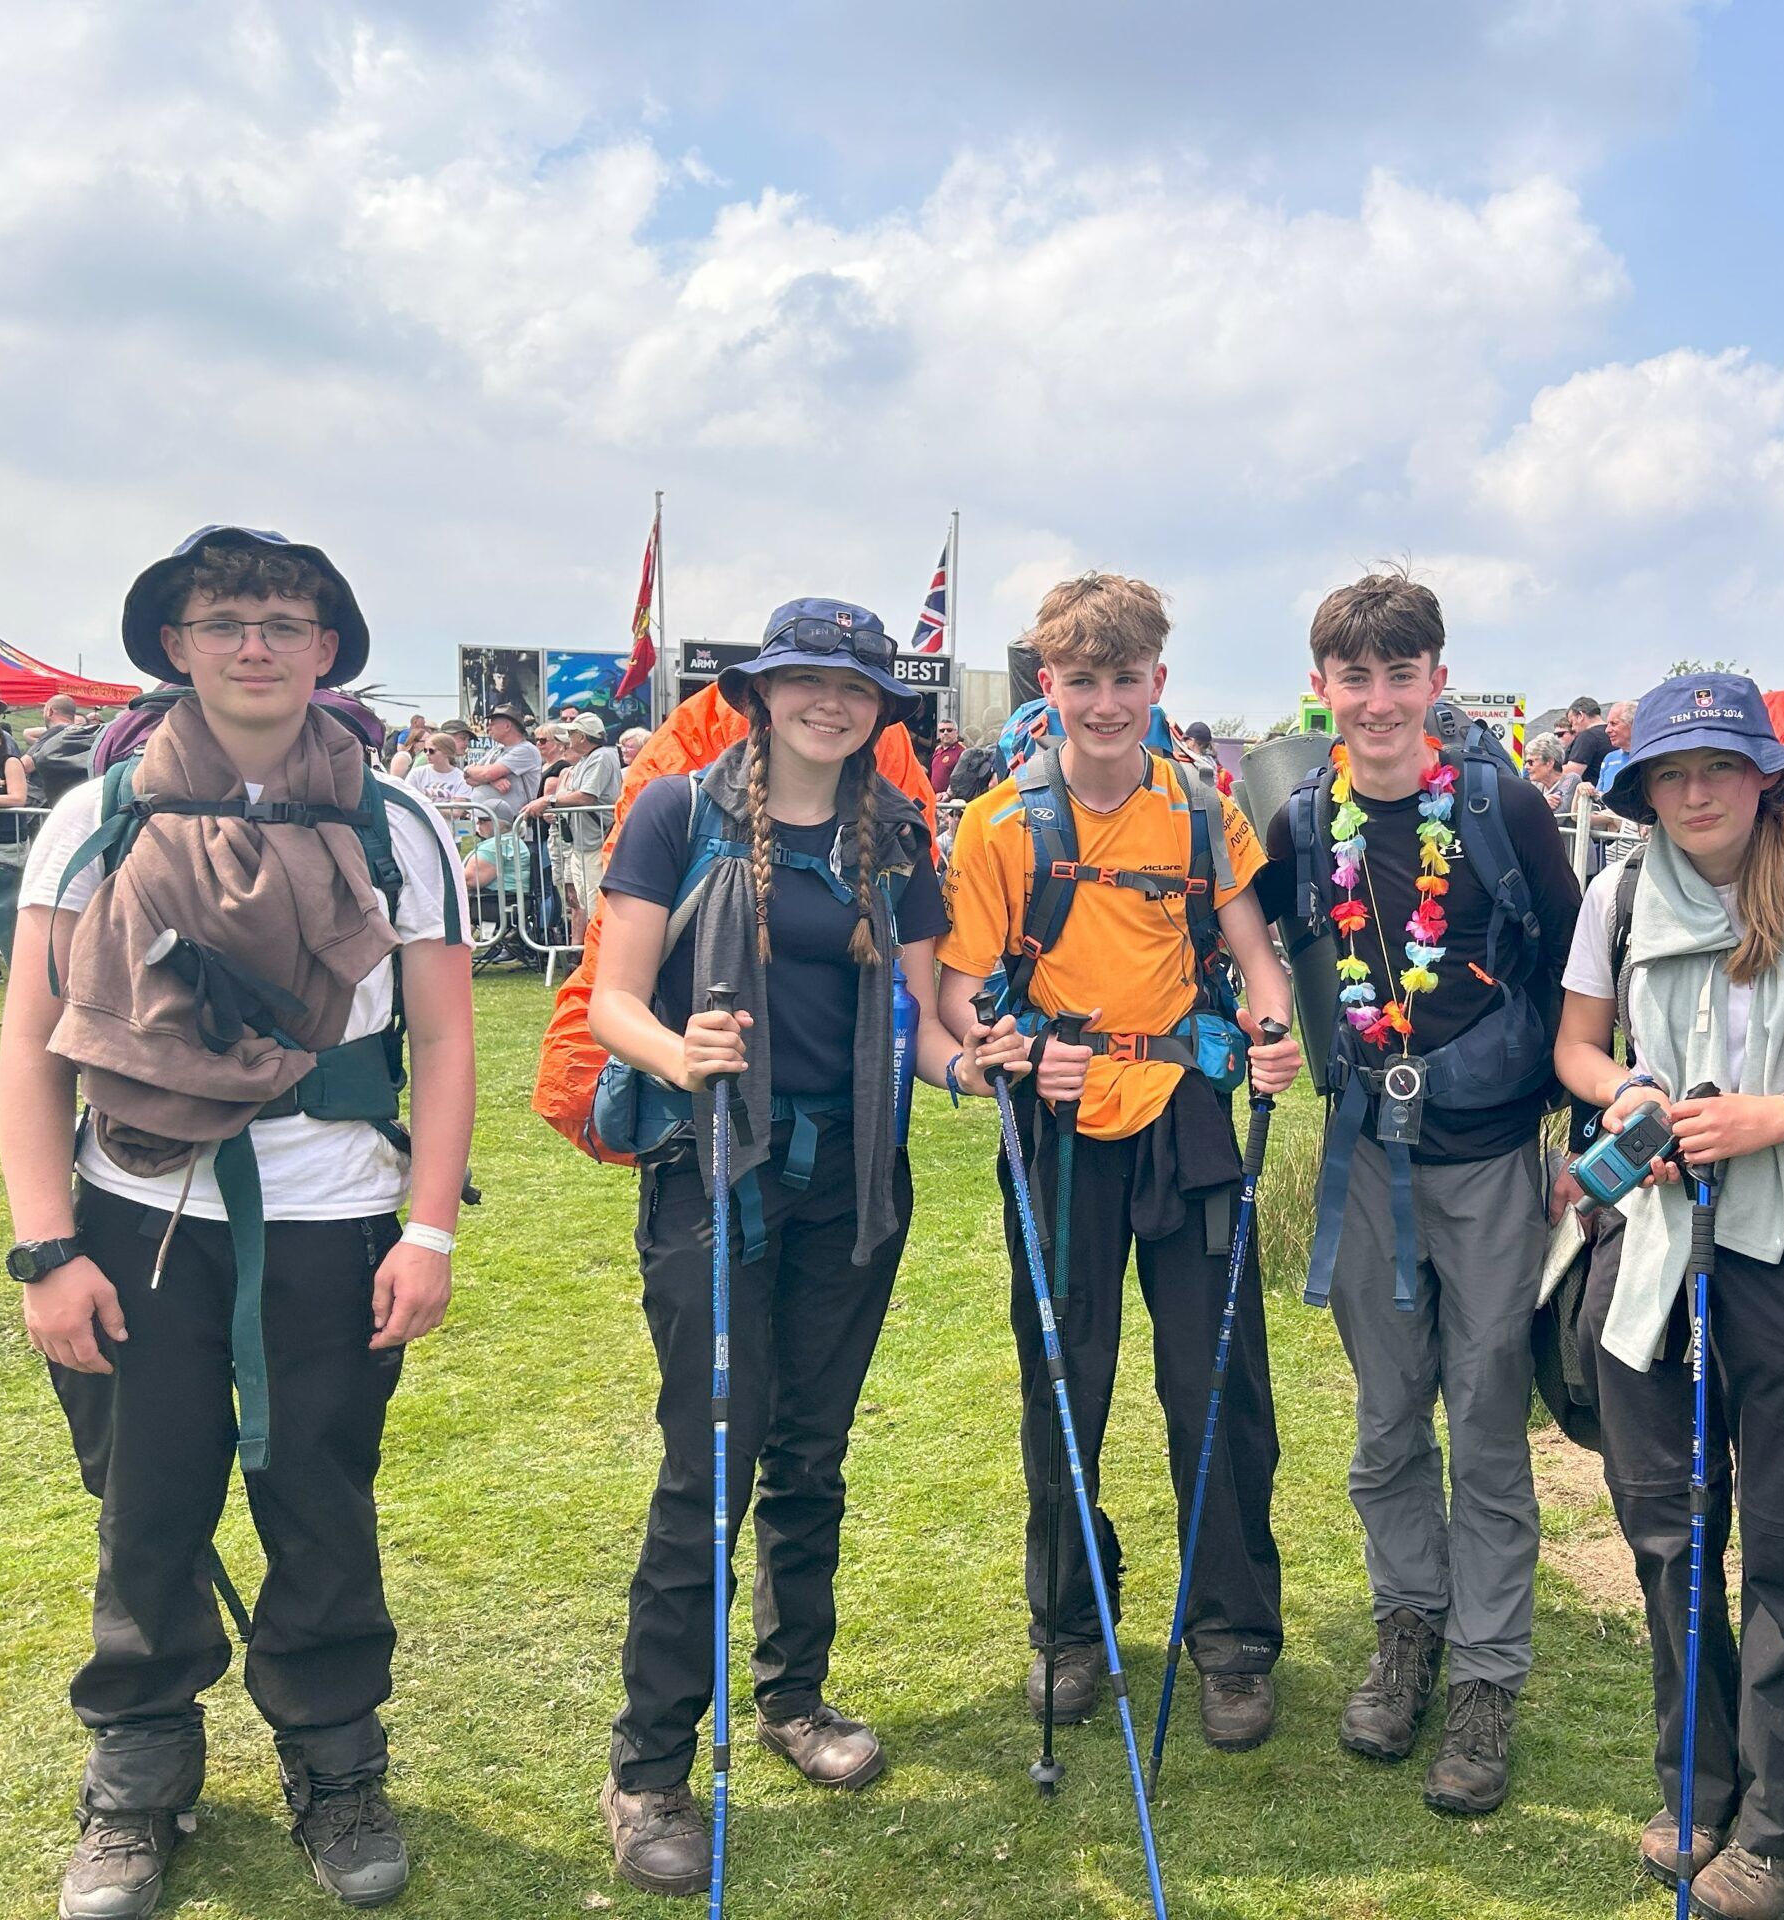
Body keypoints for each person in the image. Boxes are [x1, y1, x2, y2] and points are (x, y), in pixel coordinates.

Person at [0, 526, 475, 1914]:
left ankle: (336, 1766)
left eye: (282, 620)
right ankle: (138, 1781)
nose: (255, 645)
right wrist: (47, 1246)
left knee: (320, 1500)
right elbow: (30, 1048)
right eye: (224, 623)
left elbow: (443, 1043)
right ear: (176, 646)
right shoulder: (102, 815)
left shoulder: (402, 819)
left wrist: (428, 1229)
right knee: (147, 1506)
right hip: (140, 1213)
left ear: (327, 648)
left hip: (337, 1221)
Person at [588, 598, 972, 1896]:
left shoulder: (899, 833)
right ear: (762, 693)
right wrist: (675, 1052)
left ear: (880, 710)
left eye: (855, 687)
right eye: (806, 679)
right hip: (711, 1179)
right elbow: (614, 1001)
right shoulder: (676, 811)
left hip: (853, 1187)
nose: (831, 702)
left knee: (812, 1452)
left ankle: (794, 1699)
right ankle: (646, 1773)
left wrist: (987, 1060)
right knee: (712, 1468)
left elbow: (928, 1020)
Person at [937, 573, 1302, 1752]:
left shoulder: (1201, 810)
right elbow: (960, 993)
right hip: (1057, 1128)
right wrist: (1012, 1049)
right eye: (1081, 681)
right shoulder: (998, 824)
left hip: (1187, 1117)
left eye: (1125, 679)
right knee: (1064, 1382)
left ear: (1158, 683)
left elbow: (1257, 951)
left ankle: (1233, 1637)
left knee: (1216, 1383)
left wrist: (1272, 1025)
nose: (1104, 703)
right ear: (1049, 686)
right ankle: (1068, 1621)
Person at [1554, 672, 1784, 1915]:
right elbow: (1578, 1044)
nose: (1695, 793)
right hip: (1652, 1249)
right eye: (1669, 774)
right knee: (1667, 1534)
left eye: (1717, 768)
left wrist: (1779, 1115)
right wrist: (1622, 1094)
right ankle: (1695, 1785)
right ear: (1639, 790)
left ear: (1766, 777)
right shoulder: (1619, 891)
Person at [1252, 572, 1583, 1816]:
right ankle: (1409, 1633)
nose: (1379, 700)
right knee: (1387, 1427)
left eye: (1403, 674)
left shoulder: (1504, 807)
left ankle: (1489, 1677)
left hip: (1495, 1165)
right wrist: (1273, 1029)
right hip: (1363, 1169)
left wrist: (1579, 1144)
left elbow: (1575, 970)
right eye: (1355, 677)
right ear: (1323, 685)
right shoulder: (1295, 824)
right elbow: (1274, 959)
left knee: (1487, 1430)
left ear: (1438, 679)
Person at [524, 714, 622, 921]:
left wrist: (547, 801)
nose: (568, 736)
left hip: (596, 841)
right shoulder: (590, 758)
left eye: (572, 732)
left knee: (597, 906)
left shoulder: (601, 757)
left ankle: (601, 951)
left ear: (583, 737)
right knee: (587, 903)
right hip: (583, 842)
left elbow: (586, 797)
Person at [0, 715, 37, 966]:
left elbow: (18, 799)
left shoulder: (9, 763)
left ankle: (10, 963)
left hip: (6, 845)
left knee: (2, 905)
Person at [461, 706, 542, 830]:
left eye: (492, 724)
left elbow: (485, 774)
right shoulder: (496, 749)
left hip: (513, 826)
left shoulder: (526, 750)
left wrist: (486, 776)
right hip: (487, 824)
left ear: (507, 726)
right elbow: (468, 776)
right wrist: (493, 780)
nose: (488, 728)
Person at [1564, 698, 1616, 787]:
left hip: (1593, 795)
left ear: (1580, 716)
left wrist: (1547, 770)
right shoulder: (1615, 733)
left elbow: (1572, 773)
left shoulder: (1587, 737)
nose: (1572, 728)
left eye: (1572, 722)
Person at [406, 730, 468, 805]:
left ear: (446, 752)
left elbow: (456, 811)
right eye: (425, 750)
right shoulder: (416, 773)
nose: (427, 754)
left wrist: (427, 807)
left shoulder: (461, 777)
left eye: (431, 751)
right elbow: (407, 801)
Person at [927, 718, 964, 792]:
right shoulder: (937, 751)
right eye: (942, 730)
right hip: (935, 798)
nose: (945, 733)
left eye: (949, 730)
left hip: (951, 800)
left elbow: (962, 779)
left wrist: (948, 795)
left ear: (956, 732)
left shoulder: (962, 752)